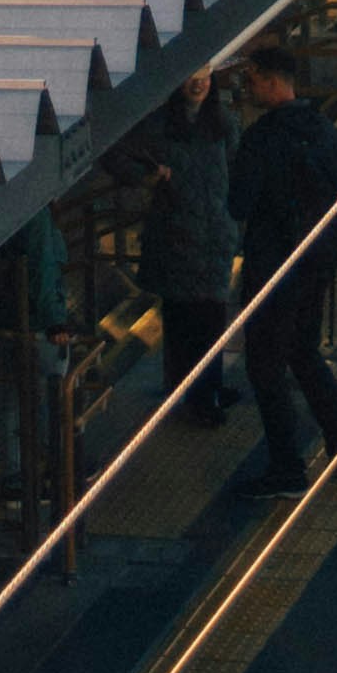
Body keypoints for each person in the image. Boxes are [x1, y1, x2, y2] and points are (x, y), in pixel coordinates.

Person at [228, 49, 337, 493]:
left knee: (265, 366)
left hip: (273, 269)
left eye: (253, 80)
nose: (248, 88)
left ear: (270, 81)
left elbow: (238, 203)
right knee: (303, 350)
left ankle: (288, 468)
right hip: (317, 263)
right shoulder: (324, 131)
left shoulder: (261, 139)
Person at [143, 79, 236, 426]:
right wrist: (148, 175)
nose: (199, 84)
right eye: (192, 77)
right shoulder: (159, 126)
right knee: (187, 317)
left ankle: (203, 389)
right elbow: (118, 154)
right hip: (179, 236)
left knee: (209, 316)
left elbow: (236, 165)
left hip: (211, 235)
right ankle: (198, 394)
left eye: (206, 75)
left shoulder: (223, 122)